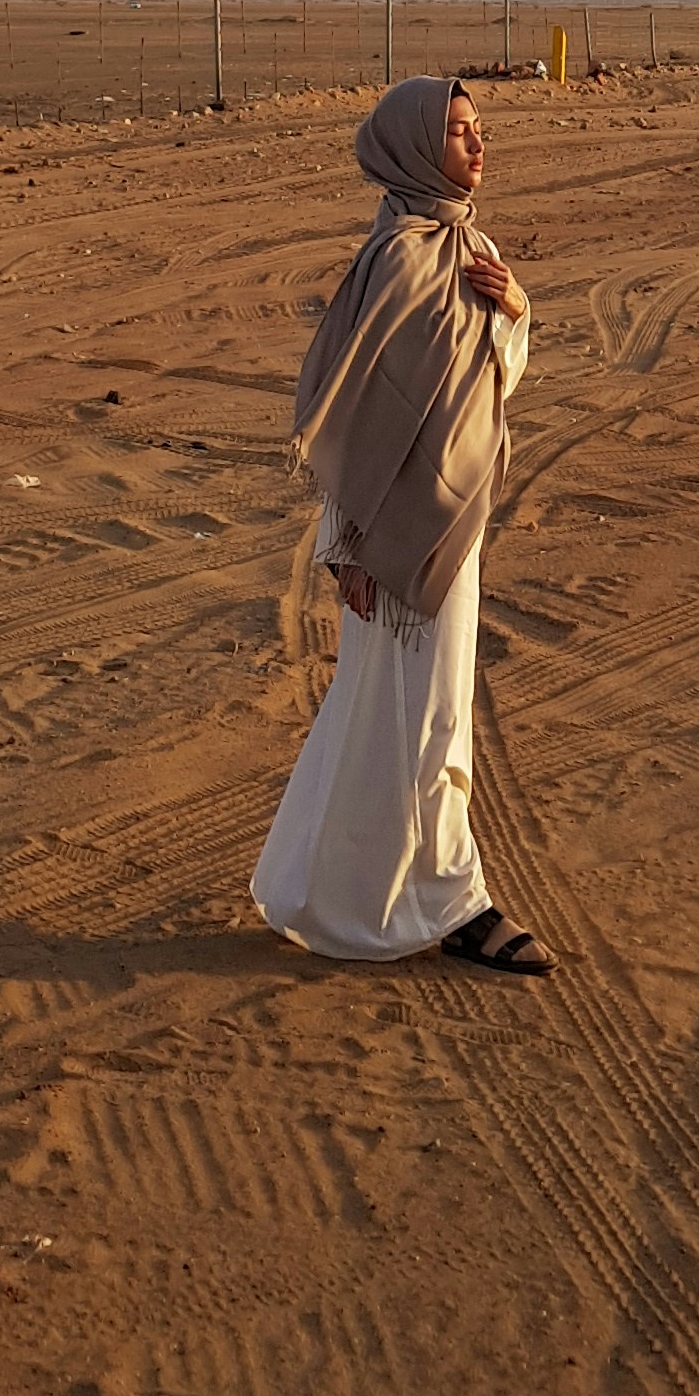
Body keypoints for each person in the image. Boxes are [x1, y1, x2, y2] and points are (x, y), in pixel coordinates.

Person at [250, 75, 552, 975]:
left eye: (479, 129)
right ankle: (452, 902)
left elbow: (494, 381)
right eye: (458, 132)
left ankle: (332, 889)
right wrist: (345, 545)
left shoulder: (475, 246)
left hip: (453, 528)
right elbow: (353, 415)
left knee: (426, 714)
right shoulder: (395, 262)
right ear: (416, 147)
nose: (477, 146)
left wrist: (515, 311)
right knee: (407, 717)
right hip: (386, 544)